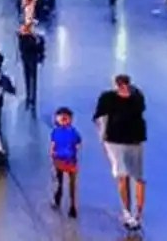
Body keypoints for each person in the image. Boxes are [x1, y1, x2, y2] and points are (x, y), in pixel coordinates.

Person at [92, 74, 148, 231]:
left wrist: (102, 136)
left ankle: (131, 212)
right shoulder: (119, 97)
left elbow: (99, 118)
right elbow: (100, 117)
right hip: (121, 140)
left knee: (130, 177)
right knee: (129, 176)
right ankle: (131, 212)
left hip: (124, 140)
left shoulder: (133, 97)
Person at [49, 106, 82, 218]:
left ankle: (72, 205)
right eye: (61, 117)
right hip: (59, 160)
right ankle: (58, 197)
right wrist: (52, 153)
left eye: (66, 117)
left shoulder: (73, 132)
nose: (63, 119)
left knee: (71, 184)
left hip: (70, 160)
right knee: (59, 182)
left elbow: (78, 144)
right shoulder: (56, 132)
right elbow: (52, 145)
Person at [16, 23, 45, 109]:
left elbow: (39, 48)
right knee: (28, 79)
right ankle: (29, 98)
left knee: (32, 79)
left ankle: (32, 100)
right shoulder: (23, 38)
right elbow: (24, 47)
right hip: (27, 59)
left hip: (32, 59)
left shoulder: (34, 37)